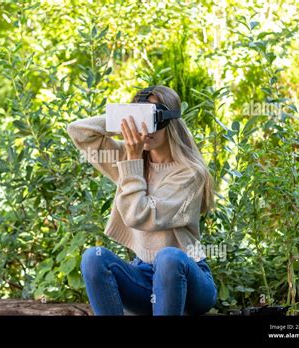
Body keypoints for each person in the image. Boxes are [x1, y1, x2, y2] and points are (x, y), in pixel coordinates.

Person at [66, 85, 217, 315]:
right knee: (93, 258)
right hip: (145, 278)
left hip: (189, 277)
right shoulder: (130, 158)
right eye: (139, 116)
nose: (145, 128)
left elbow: (139, 215)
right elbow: (78, 131)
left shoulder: (189, 173)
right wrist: (126, 120)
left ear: (170, 120)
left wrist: (133, 159)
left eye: (153, 117)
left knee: (168, 257)